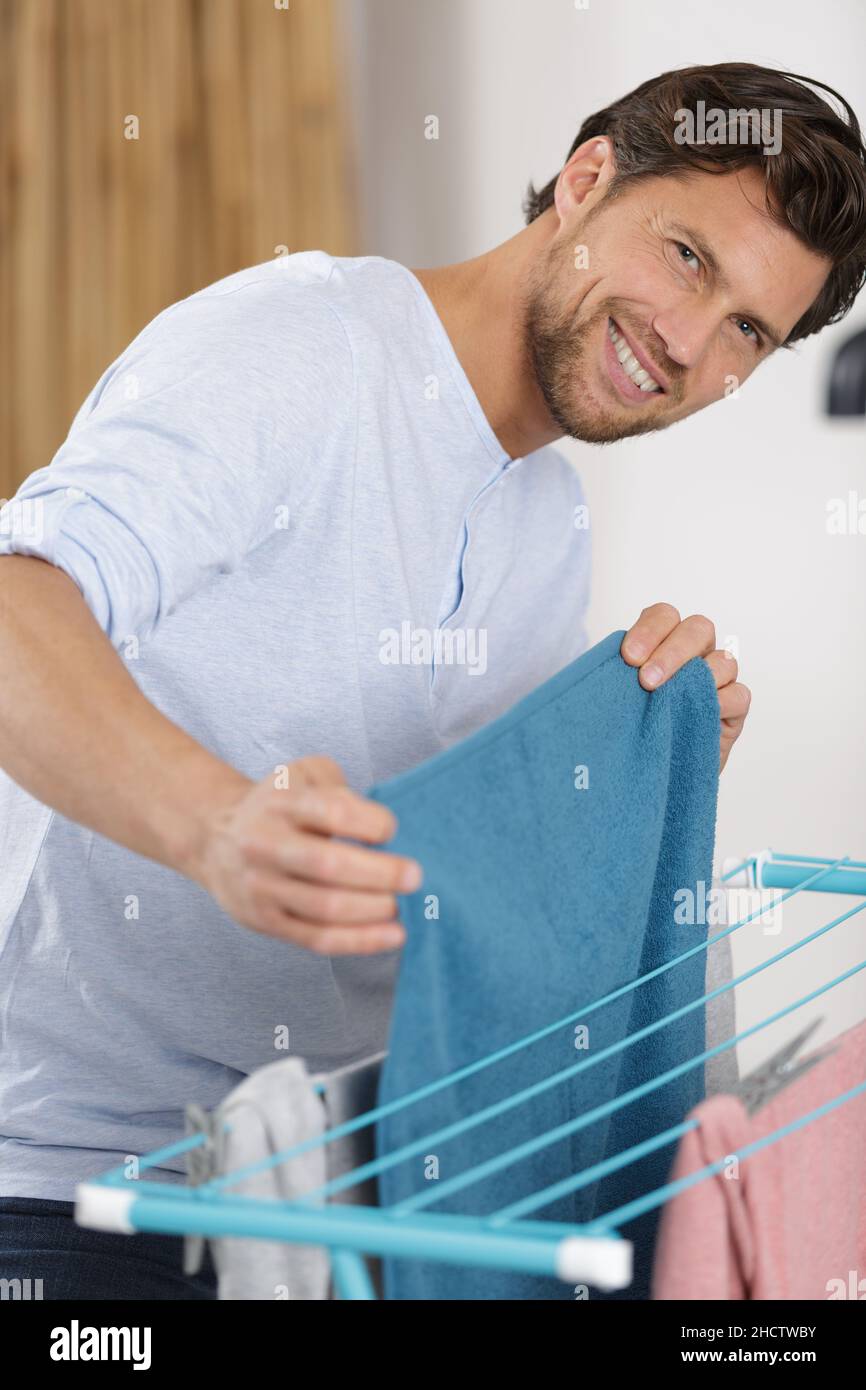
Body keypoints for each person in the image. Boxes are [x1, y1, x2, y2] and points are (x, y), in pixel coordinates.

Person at [0, 61, 864, 1299]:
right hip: (84, 1188)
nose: (684, 342)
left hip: (339, 1192)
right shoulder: (299, 349)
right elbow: (16, 593)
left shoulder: (546, 518)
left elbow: (459, 856)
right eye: (684, 255)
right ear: (584, 180)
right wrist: (214, 827)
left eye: (746, 331)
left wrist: (629, 766)